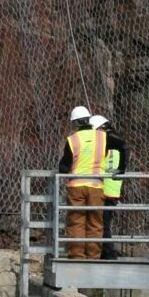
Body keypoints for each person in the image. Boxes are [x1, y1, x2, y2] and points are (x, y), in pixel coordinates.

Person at [58, 106, 107, 260]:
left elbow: (64, 166)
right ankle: (93, 256)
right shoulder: (103, 137)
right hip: (96, 186)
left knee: (76, 221)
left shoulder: (72, 140)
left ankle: (77, 255)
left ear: (75, 123)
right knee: (95, 222)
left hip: (76, 187)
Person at [91, 115, 125, 260]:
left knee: (102, 225)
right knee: (104, 224)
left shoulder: (104, 145)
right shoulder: (118, 143)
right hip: (113, 190)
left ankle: (109, 255)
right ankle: (106, 254)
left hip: (104, 188)